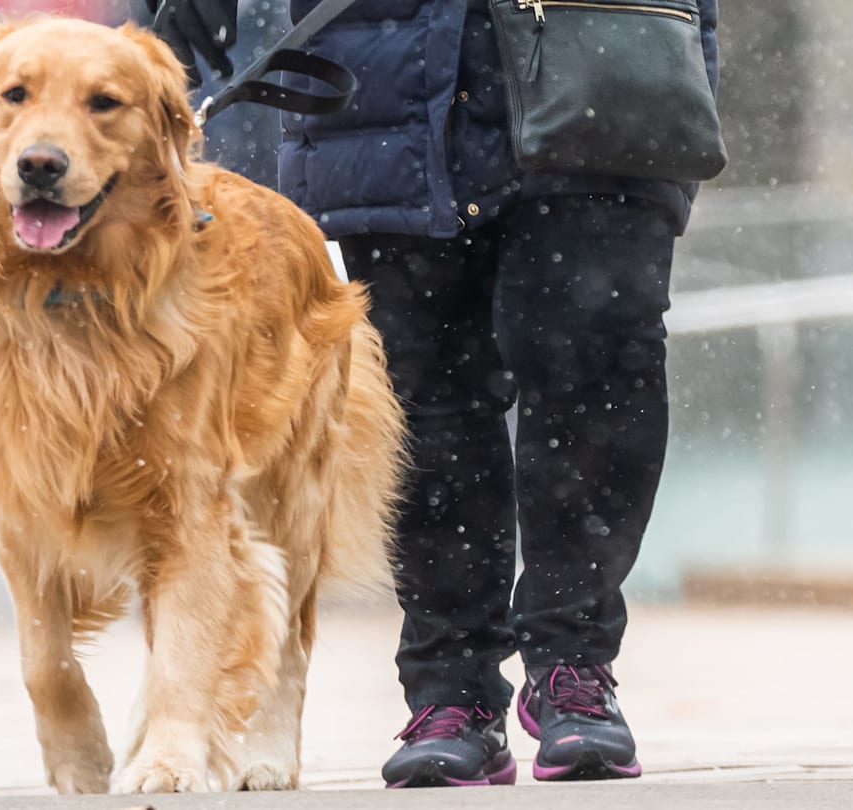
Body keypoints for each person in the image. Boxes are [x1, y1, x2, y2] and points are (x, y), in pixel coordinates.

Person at [151, 0, 721, 786]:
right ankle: (451, 691)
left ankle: (574, 665)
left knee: (600, 377)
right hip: (390, 88)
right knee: (427, 403)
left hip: (601, 69)